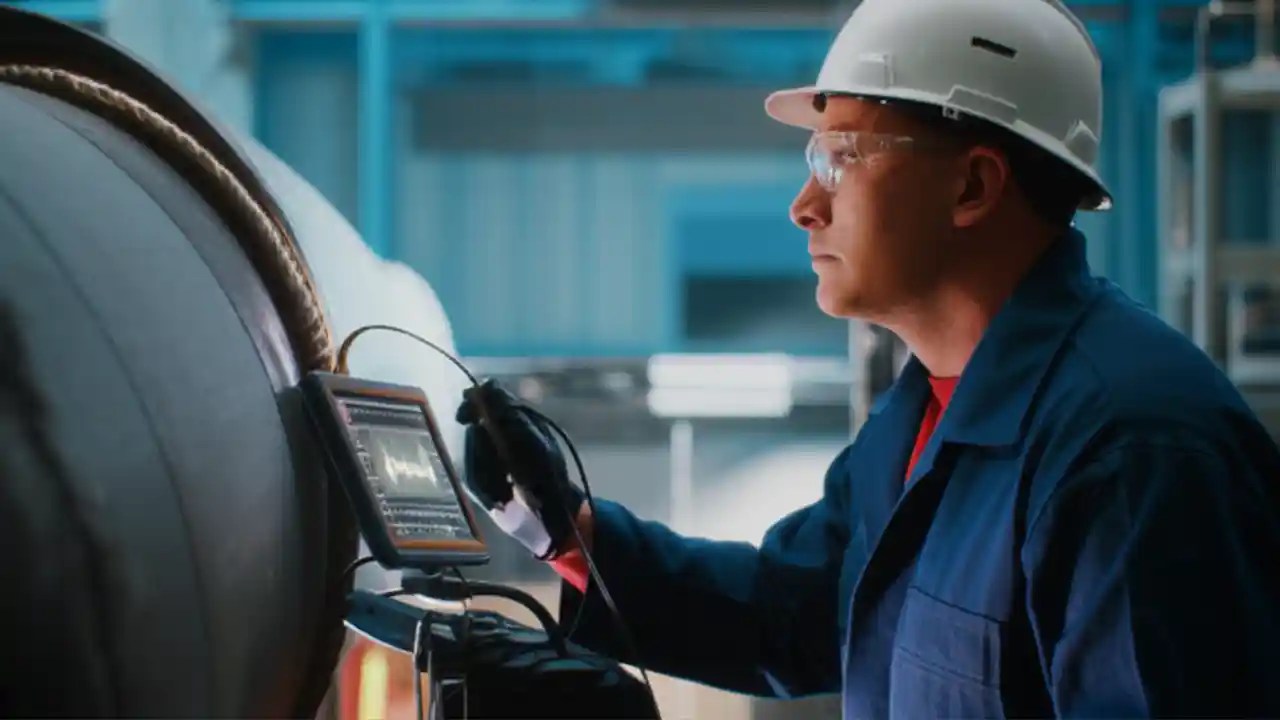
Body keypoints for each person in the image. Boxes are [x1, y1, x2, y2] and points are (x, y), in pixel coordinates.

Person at [455, 0, 1280, 716]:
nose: (805, 205)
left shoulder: (1133, 454)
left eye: (843, 157)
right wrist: (568, 531)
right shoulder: (923, 410)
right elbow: (792, 614)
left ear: (972, 187)